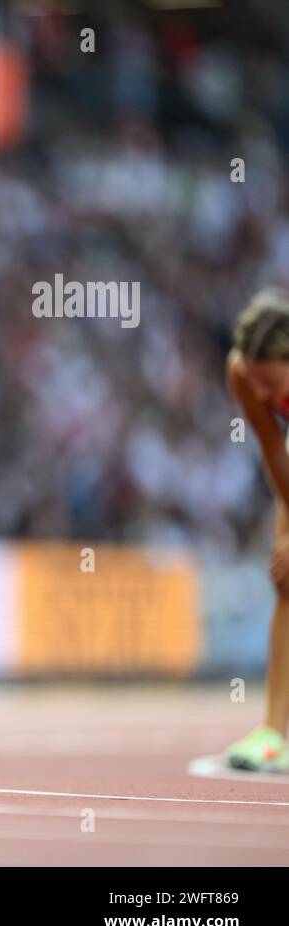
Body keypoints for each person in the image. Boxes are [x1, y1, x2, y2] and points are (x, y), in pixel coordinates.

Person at [224, 287, 289, 771]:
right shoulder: (241, 373)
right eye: (255, 381)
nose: (263, 395)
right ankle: (275, 733)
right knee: (287, 578)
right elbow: (274, 449)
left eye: (271, 382)